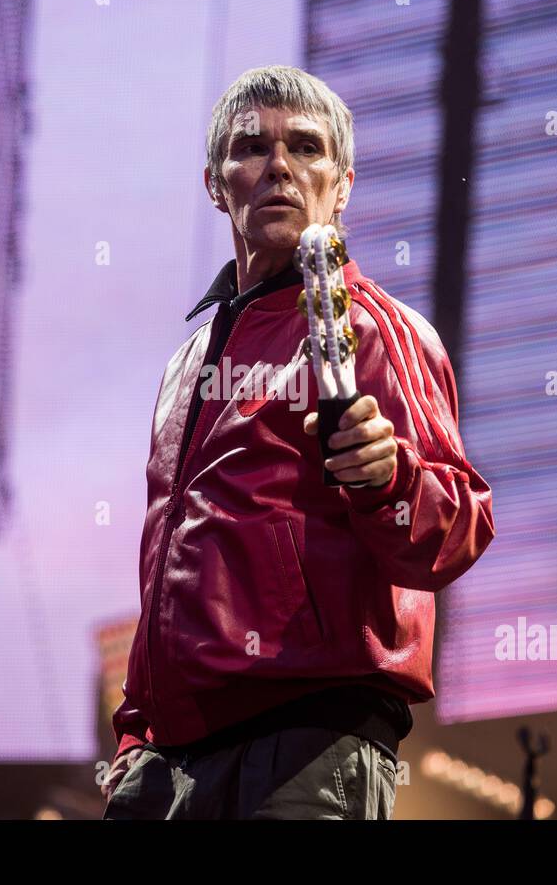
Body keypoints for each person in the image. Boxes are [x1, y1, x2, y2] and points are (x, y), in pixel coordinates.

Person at [102, 65, 494, 819]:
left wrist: (390, 479)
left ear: (342, 184)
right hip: (163, 759)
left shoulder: (375, 328)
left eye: (306, 148)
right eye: (252, 147)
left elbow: (457, 530)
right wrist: (134, 739)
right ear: (216, 183)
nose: (279, 165)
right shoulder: (188, 363)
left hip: (304, 742)